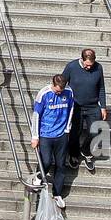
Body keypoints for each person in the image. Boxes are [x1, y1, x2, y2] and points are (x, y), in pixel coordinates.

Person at [33, 73, 76, 209]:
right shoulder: (44, 94)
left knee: (61, 165)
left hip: (61, 134)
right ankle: (39, 176)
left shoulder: (68, 92)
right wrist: (35, 136)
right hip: (45, 133)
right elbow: (36, 115)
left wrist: (67, 129)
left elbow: (71, 109)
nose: (59, 93)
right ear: (52, 84)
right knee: (45, 161)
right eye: (57, 90)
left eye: (61, 91)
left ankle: (57, 194)